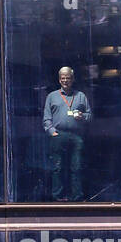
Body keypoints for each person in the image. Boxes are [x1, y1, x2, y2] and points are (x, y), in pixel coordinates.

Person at [42, 65, 92, 201]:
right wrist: (52, 132)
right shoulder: (52, 96)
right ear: (59, 80)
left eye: (68, 78)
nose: (65, 81)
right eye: (63, 78)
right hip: (58, 135)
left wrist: (82, 116)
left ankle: (76, 197)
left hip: (76, 136)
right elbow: (46, 118)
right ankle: (57, 197)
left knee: (76, 167)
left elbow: (89, 116)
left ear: (73, 79)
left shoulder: (80, 96)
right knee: (57, 167)